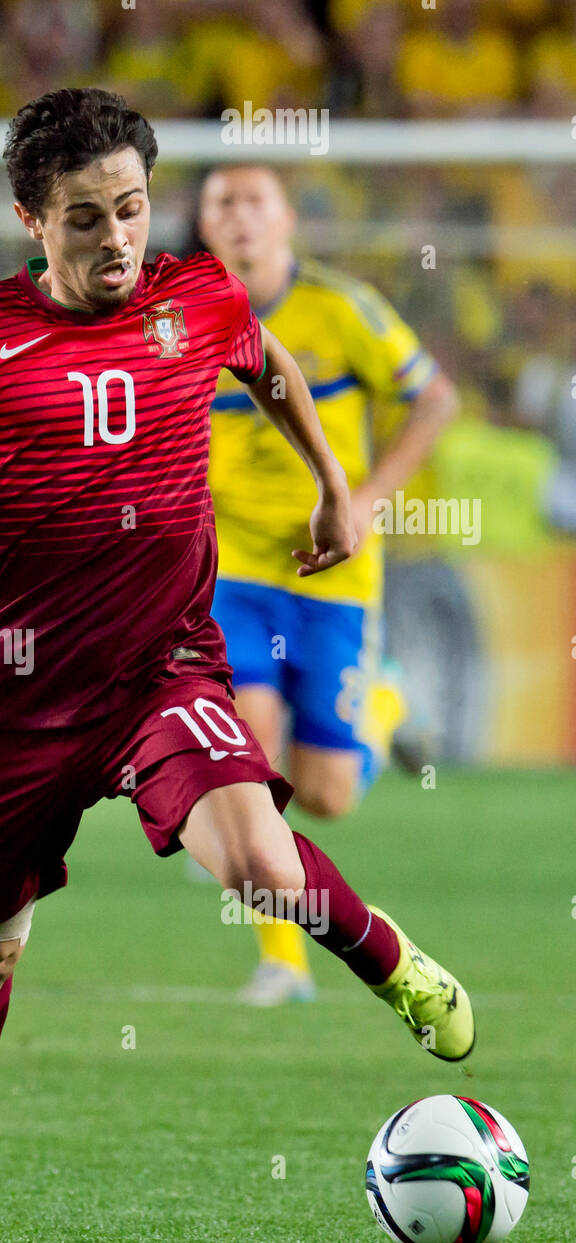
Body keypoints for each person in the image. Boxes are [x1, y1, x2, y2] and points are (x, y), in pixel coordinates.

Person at [0, 87, 474, 1243]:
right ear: (33, 218)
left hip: (163, 666)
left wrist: (337, 488)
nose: (115, 240)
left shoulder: (198, 295)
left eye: (130, 209)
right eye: (84, 219)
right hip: (17, 692)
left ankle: (390, 963)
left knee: (257, 861)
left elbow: (269, 363)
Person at [197, 164, 459, 1006]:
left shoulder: (342, 310)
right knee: (249, 753)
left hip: (334, 571)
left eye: (254, 202)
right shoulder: (184, 323)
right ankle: (284, 963)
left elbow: (435, 399)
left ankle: (385, 703)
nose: (238, 218)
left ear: (287, 223)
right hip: (234, 572)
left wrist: (370, 497)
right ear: (205, 226)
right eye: (221, 204)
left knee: (328, 796)